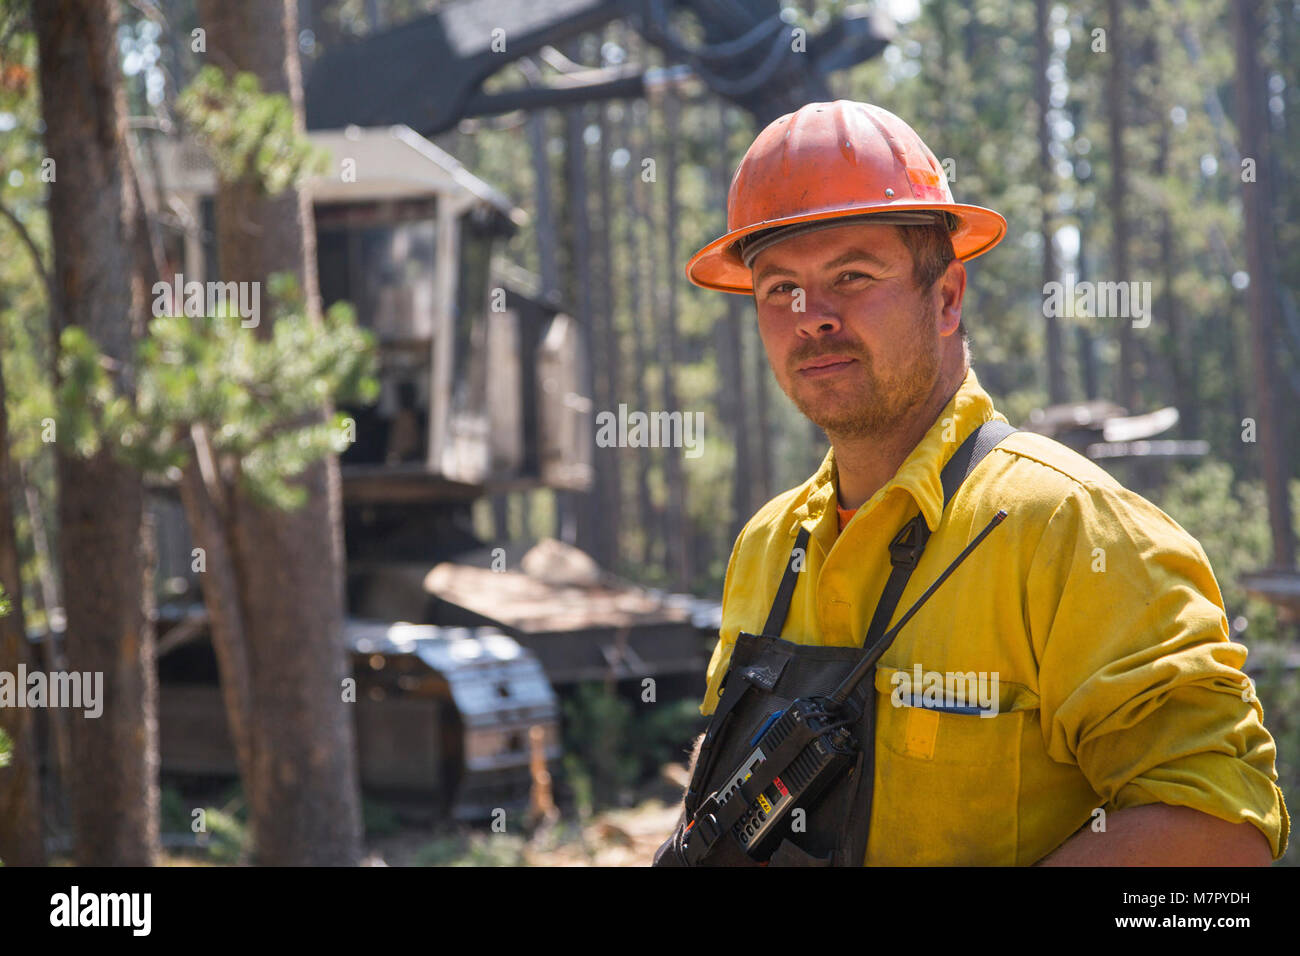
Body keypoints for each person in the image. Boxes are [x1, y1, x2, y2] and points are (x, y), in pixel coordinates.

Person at [659, 100, 1288, 866]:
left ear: (948, 297)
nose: (811, 316)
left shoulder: (1069, 528)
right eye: (778, 288)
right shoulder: (768, 544)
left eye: (851, 276)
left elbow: (1223, 835)